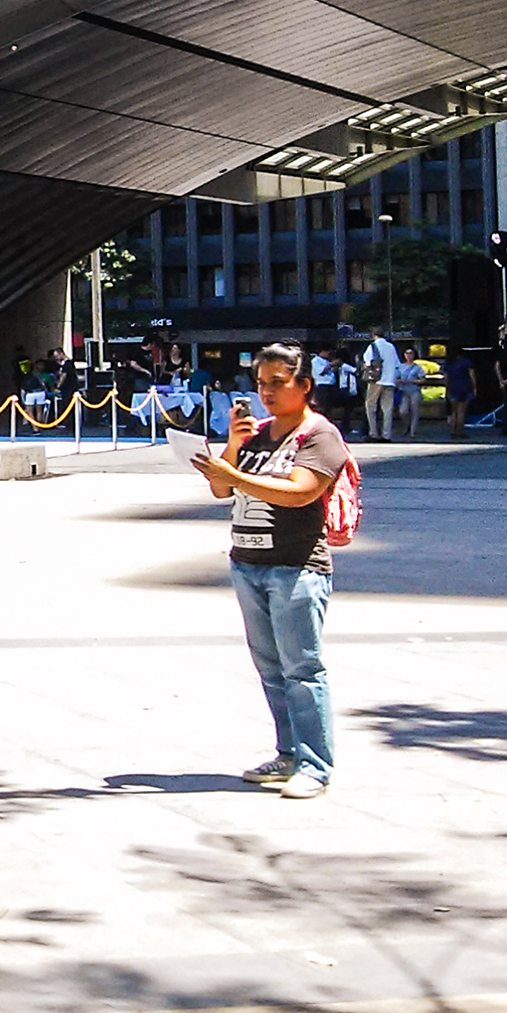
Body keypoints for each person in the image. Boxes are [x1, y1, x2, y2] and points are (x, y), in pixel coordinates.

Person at [192, 340, 347, 800]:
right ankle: (288, 752)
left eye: (278, 383)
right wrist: (234, 445)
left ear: (304, 385)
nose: (267, 393)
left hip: (296, 566)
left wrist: (237, 477)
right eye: (261, 383)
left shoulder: (319, 435)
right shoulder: (258, 433)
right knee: (270, 667)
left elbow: (301, 492)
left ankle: (315, 764)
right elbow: (222, 489)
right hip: (248, 564)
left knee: (302, 668)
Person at [362, 326, 400, 441]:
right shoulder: (391, 347)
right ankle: (386, 434)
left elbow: (367, 363)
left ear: (373, 335)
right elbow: (397, 364)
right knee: (387, 408)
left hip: (376, 380)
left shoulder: (372, 346)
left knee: (371, 406)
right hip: (390, 381)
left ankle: (373, 433)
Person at [442, 345, 475, 440]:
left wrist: (447, 388)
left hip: (452, 387)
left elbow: (446, 378)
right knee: (461, 411)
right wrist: (474, 387)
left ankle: (453, 431)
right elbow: (472, 375)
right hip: (464, 387)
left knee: (453, 411)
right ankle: (460, 431)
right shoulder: (466, 363)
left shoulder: (448, 363)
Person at [392, 345, 426, 439]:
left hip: (414, 390)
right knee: (403, 411)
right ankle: (407, 425)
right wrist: (398, 381)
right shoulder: (400, 367)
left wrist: (412, 381)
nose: (409, 355)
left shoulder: (417, 368)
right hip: (403, 391)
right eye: (407, 353)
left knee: (415, 410)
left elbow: (423, 380)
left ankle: (413, 431)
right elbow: (396, 378)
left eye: (411, 353)